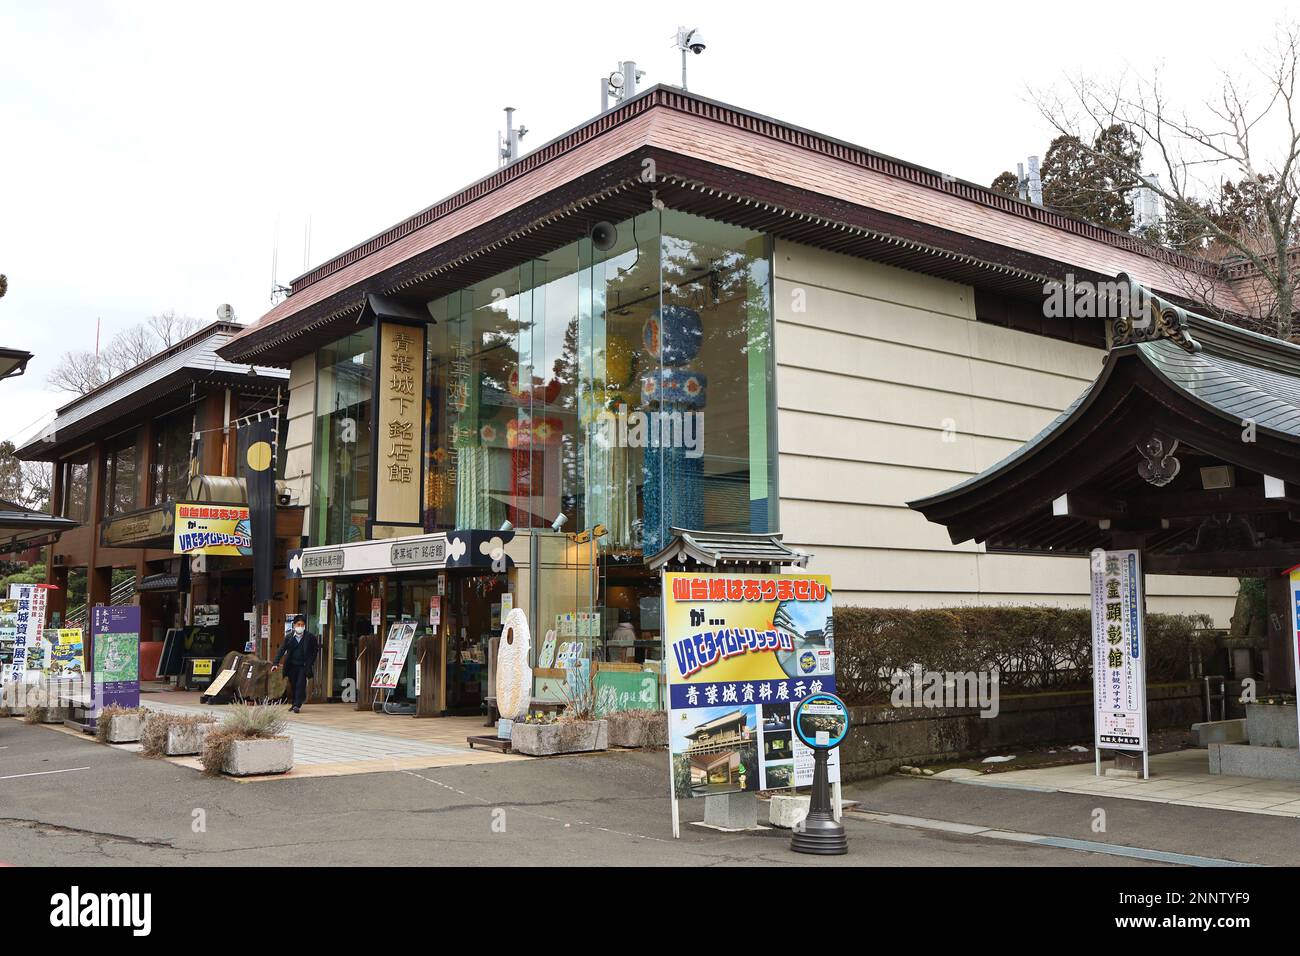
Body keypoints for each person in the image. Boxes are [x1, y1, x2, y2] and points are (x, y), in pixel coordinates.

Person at [271, 614, 319, 713]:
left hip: (303, 665)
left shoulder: (310, 637)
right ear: (294, 625)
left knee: (300, 684)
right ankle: (294, 703)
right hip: (291, 665)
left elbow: (315, 650)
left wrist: (310, 662)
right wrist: (275, 663)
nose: (300, 627)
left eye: (302, 625)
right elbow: (282, 650)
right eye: (298, 624)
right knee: (293, 684)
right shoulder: (289, 637)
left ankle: (297, 705)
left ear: (304, 626)